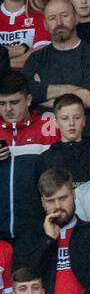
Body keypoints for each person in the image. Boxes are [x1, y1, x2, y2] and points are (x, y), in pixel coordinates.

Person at [24, 0, 90, 135]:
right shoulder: (36, 59)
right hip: (43, 140)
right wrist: (72, 89)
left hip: (84, 139)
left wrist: (42, 97)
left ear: (76, 18)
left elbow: (88, 99)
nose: (59, 23)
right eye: (52, 18)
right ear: (45, 25)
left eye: (64, 15)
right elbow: (26, 95)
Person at [0, 73, 56, 245]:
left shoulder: (49, 127)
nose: (8, 109)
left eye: (14, 102)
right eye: (2, 103)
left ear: (29, 99)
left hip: (36, 233)